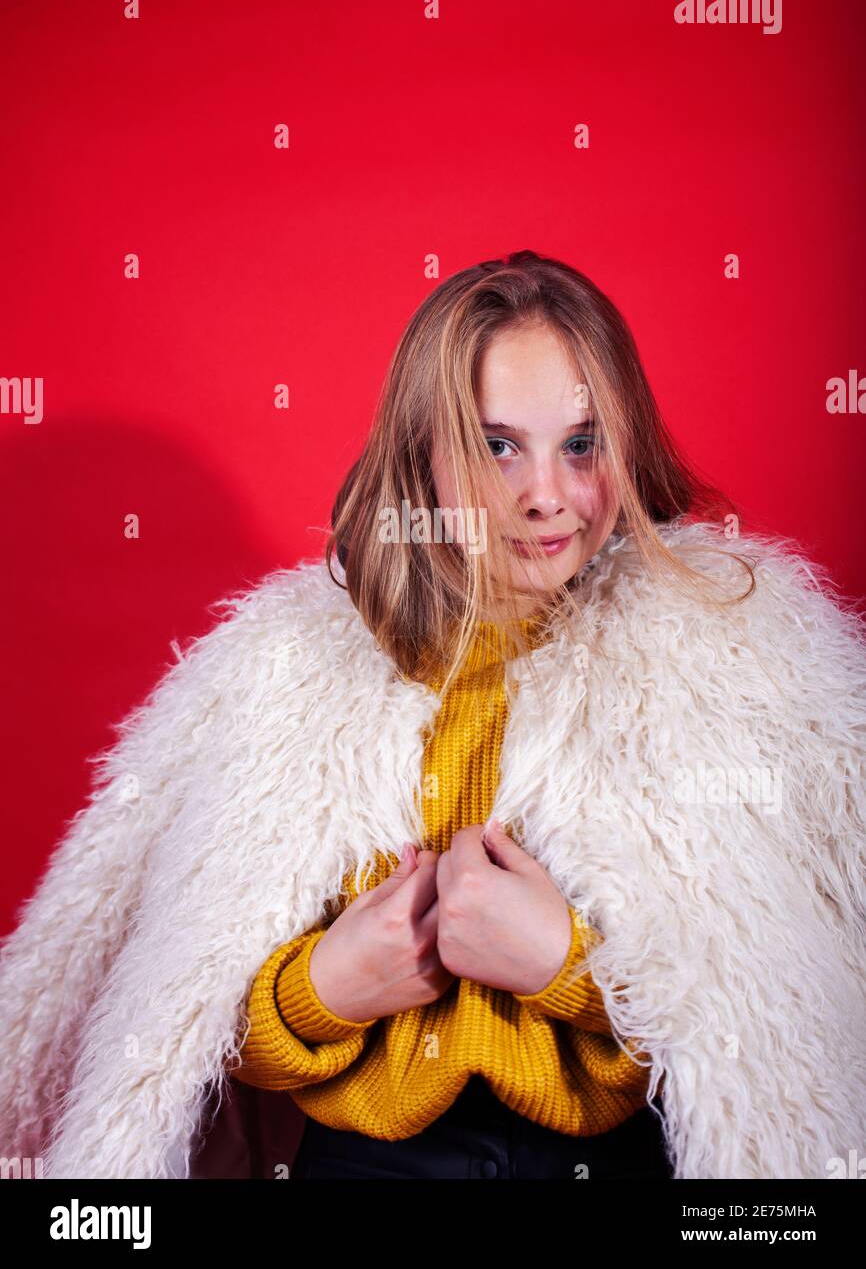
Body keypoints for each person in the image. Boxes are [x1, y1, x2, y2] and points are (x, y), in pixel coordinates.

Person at [1, 250, 864, 1180]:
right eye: (497, 446)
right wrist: (318, 993)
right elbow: (170, 1029)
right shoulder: (281, 674)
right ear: (422, 456)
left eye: (582, 443)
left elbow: (792, 1026)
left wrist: (570, 967)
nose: (545, 495)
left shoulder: (732, 654)